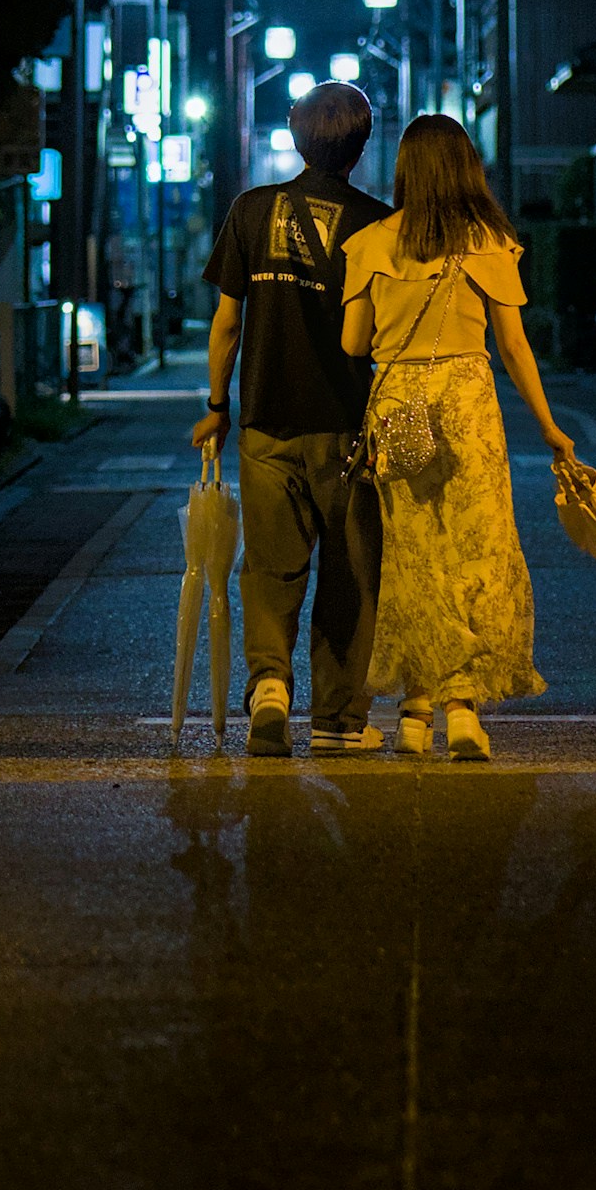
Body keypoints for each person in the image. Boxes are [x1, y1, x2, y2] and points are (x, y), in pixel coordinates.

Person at [336, 112, 576, 762]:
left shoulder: (373, 243)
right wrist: (552, 430)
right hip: (469, 407)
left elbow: (353, 343)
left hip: (399, 411)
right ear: (467, 167)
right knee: (474, 555)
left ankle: (415, 711)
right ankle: (464, 709)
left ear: (406, 168)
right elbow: (516, 348)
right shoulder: (489, 243)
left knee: (414, 561)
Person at [190, 82, 391, 755]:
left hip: (265, 421)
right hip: (346, 424)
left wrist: (218, 406)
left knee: (272, 564)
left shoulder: (250, 211)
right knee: (349, 567)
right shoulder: (376, 224)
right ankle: (337, 718)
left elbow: (226, 325)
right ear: (360, 146)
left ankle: (270, 687)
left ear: (294, 132)